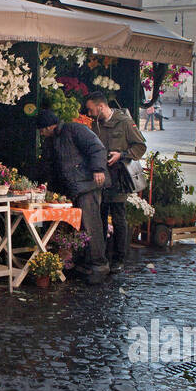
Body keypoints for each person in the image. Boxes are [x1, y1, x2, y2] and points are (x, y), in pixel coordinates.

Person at [34, 109, 111, 285]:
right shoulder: (50, 140)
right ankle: (81, 263)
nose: (41, 132)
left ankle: (99, 265)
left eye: (42, 129)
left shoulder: (73, 129)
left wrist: (98, 169)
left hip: (85, 185)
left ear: (50, 126)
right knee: (73, 227)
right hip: (69, 188)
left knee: (90, 225)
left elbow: (96, 147)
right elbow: (47, 165)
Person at [84, 92, 148, 275]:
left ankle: (119, 258)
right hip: (100, 178)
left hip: (118, 177)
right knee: (100, 217)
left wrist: (122, 155)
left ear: (101, 106)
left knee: (118, 218)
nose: (89, 113)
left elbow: (140, 146)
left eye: (90, 109)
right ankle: (101, 256)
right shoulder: (94, 124)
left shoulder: (124, 122)